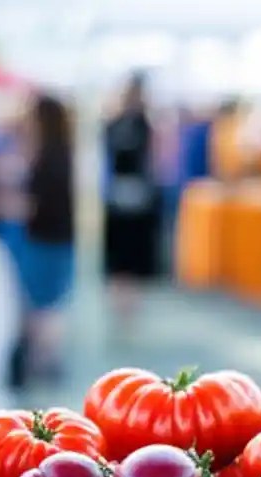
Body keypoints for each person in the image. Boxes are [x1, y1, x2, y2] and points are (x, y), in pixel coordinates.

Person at [10, 93, 76, 385]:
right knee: (49, 306)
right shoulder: (60, 153)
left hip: (45, 239)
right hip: (57, 238)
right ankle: (46, 362)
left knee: (42, 307)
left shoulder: (48, 159)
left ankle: (41, 365)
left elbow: (36, 204)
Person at [103, 74, 161, 316]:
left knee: (128, 256)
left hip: (131, 198)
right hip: (125, 198)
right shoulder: (124, 125)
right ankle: (124, 303)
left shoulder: (138, 125)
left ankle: (126, 304)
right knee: (124, 256)